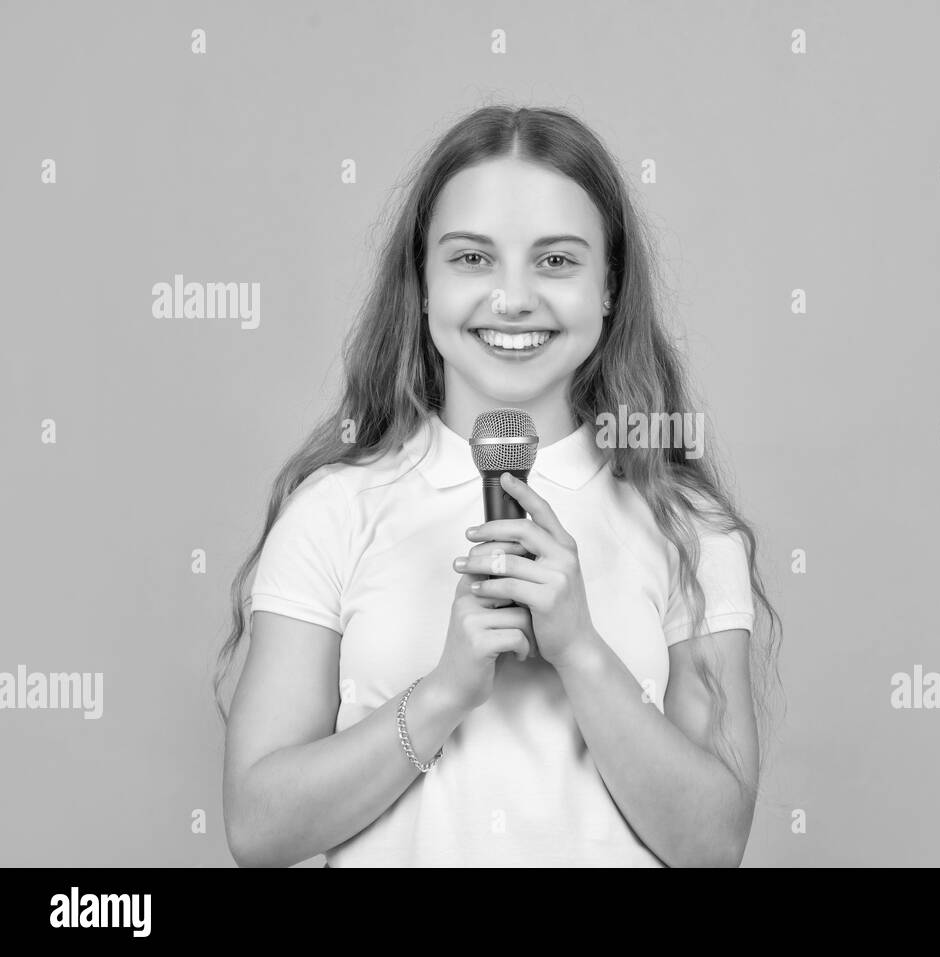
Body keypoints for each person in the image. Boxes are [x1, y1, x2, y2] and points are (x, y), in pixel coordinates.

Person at [214, 105, 784, 867]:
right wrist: (444, 689)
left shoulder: (686, 524)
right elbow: (258, 827)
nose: (512, 299)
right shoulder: (335, 510)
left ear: (609, 287)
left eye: (556, 260)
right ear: (422, 282)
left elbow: (713, 843)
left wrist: (580, 648)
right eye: (472, 258)